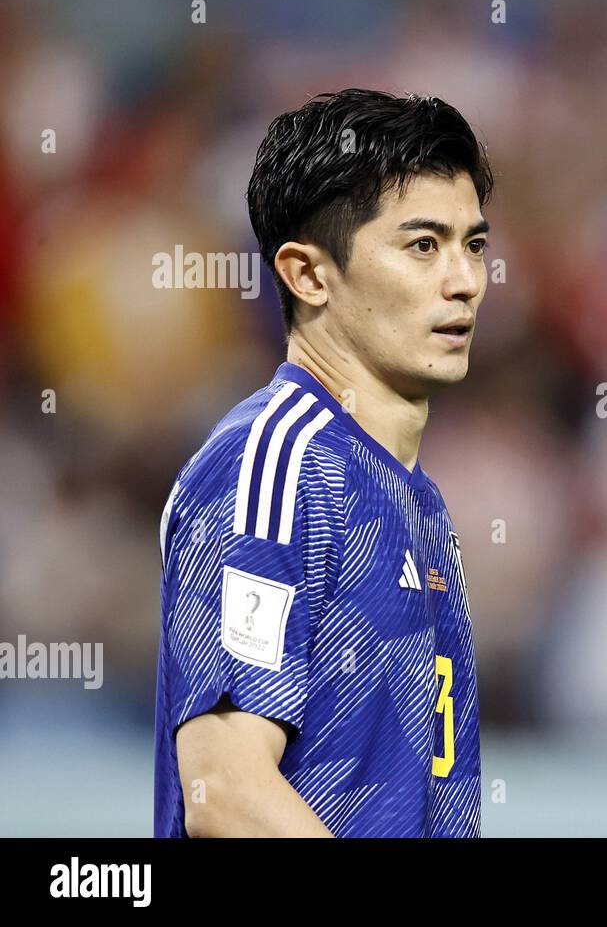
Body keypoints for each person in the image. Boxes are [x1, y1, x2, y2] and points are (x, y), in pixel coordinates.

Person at [153, 89, 492, 837]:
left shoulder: (421, 503)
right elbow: (226, 793)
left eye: (474, 245)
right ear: (308, 275)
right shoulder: (270, 467)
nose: (465, 280)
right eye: (422, 245)